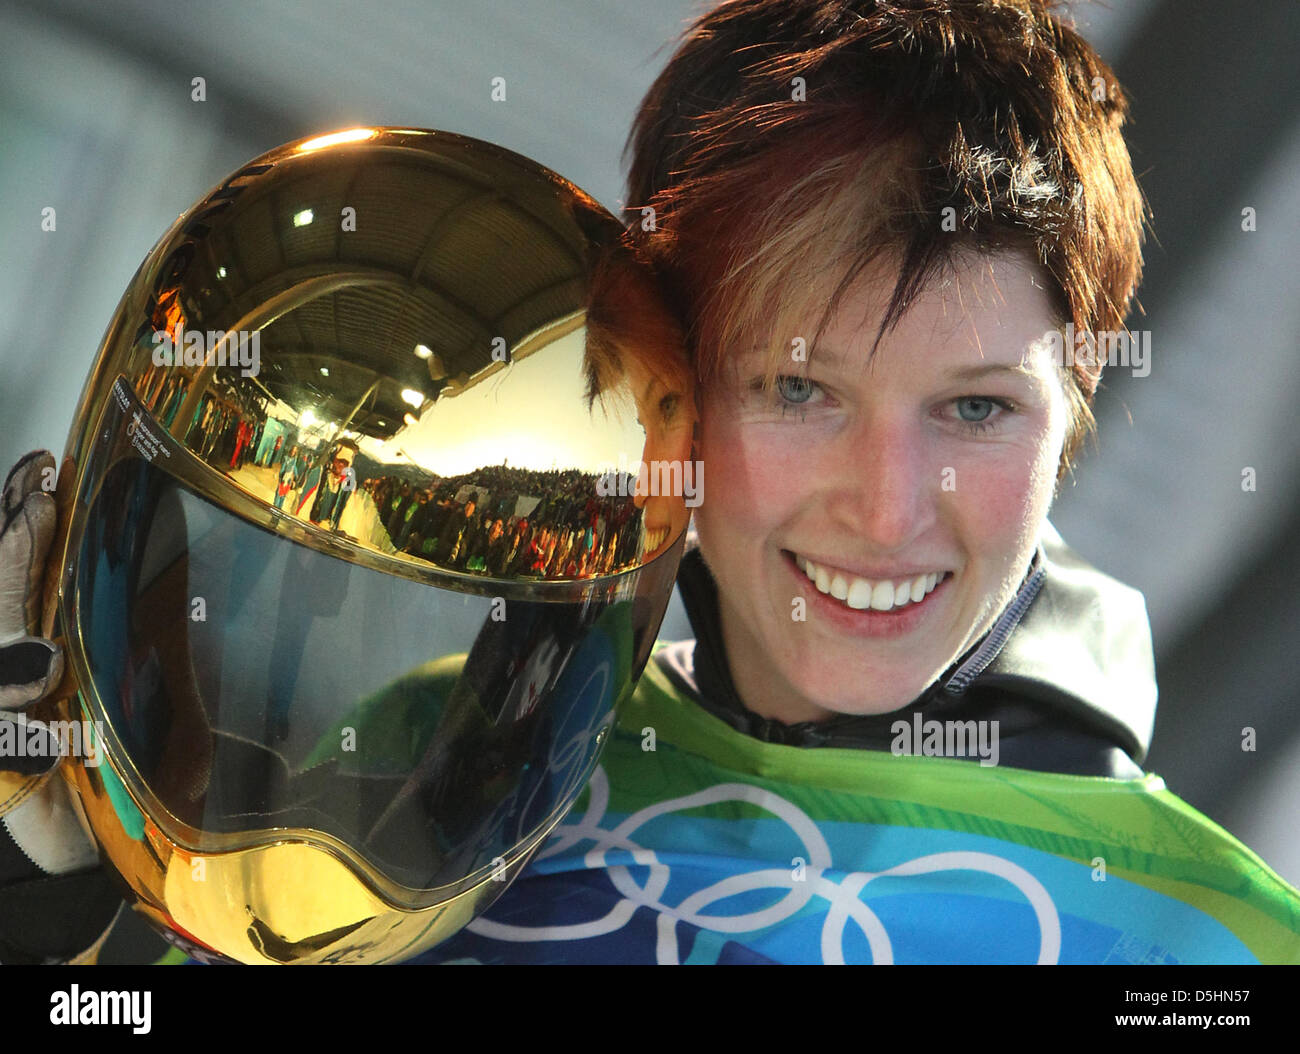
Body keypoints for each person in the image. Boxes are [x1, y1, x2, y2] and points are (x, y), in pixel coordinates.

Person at [400, 0, 1300, 963]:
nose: (885, 513)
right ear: (664, 373)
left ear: (1079, 391)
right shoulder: (447, 756)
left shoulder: (1216, 951)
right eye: (798, 389)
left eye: (976, 409)